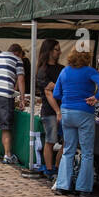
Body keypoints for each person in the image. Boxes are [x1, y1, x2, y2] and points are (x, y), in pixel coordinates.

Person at [51, 49, 99, 197]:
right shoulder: (89, 71)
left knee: (68, 150)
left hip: (67, 112)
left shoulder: (64, 71)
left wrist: (69, 96)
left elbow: (56, 93)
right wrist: (95, 97)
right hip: (84, 111)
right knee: (87, 152)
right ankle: (84, 188)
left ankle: (62, 185)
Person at [34, 38, 64, 179]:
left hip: (63, 109)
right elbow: (48, 91)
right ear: (50, 51)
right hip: (50, 111)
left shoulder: (62, 69)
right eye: (57, 49)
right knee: (50, 141)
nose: (59, 52)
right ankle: (49, 169)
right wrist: (58, 110)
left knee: (66, 142)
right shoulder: (42, 71)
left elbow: (55, 87)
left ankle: (57, 167)